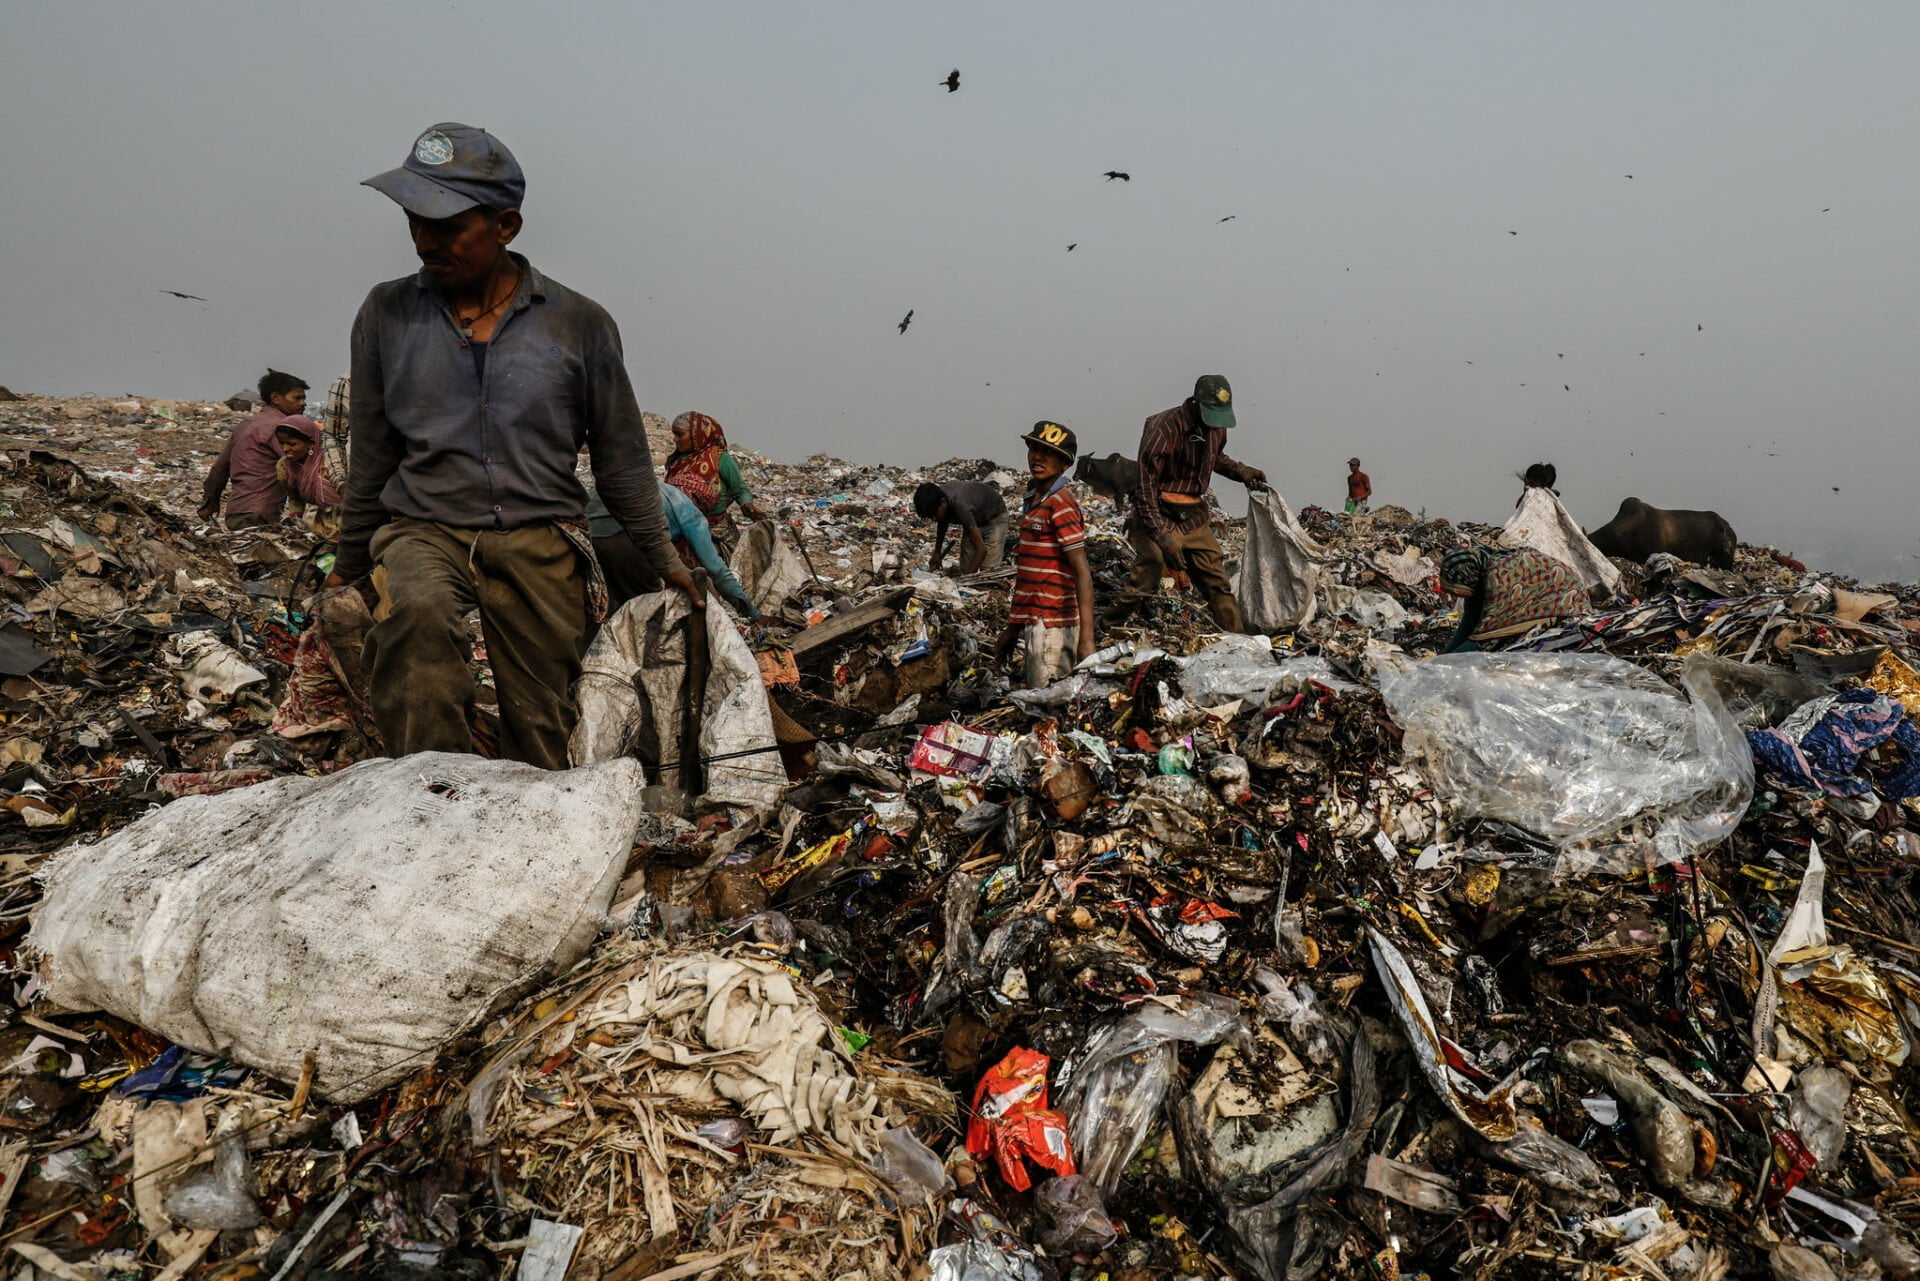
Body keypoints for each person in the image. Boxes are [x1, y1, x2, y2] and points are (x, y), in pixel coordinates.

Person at [330, 122, 698, 770]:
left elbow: (621, 460)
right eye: (415, 220)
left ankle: (527, 845)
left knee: (543, 722)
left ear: (506, 226)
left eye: (446, 225)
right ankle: (430, 812)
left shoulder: (578, 324)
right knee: (415, 632)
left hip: (537, 536)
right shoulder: (386, 315)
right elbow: (373, 460)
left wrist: (667, 560)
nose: (424, 240)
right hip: (425, 527)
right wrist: (348, 566)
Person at [1128, 374, 1267, 633]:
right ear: (1195, 403)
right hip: (1159, 511)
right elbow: (1144, 488)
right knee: (1147, 575)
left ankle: (1238, 642)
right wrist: (1162, 537)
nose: (1213, 422)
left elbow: (1216, 458)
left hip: (1193, 516)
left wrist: (1242, 471)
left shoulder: (1217, 426)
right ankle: (1104, 629)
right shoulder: (1164, 428)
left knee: (1217, 582)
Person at [995, 421, 1095, 687]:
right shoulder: (1034, 501)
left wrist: (1087, 640)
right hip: (1034, 622)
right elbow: (1029, 577)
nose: (1038, 457)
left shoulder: (1061, 503)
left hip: (1054, 626)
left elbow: (1082, 572)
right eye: (1035, 449)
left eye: (1049, 452)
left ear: (1065, 463)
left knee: (1050, 707)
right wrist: (1013, 628)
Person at [587, 482, 759, 620]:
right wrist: (751, 612)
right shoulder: (686, 508)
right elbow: (715, 568)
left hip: (587, 540)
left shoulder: (659, 488)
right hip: (627, 542)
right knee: (647, 610)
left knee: (605, 607)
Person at [201, 368, 309, 524]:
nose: (303, 403)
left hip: (235, 514)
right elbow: (301, 466)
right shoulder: (281, 428)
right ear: (276, 397)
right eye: (297, 398)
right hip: (260, 514)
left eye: (304, 399)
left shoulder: (246, 425)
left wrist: (209, 504)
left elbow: (219, 469)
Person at [1438, 547, 1590, 653]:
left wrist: (1449, 660)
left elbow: (1484, 636)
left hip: (1565, 601)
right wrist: (1445, 654)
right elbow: (1470, 620)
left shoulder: (1498, 578)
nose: (1460, 597)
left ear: (1467, 575)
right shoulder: (1479, 578)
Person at [663, 412, 767, 556]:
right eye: (674, 434)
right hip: (680, 529)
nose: (675, 439)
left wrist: (746, 504)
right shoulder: (676, 462)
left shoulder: (719, 458)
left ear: (696, 435)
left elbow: (740, 489)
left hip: (715, 529)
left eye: (680, 434)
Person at [913, 480, 1009, 574]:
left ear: (943, 503)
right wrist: (937, 553)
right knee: (966, 565)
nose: (933, 519)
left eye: (934, 514)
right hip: (973, 519)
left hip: (995, 517)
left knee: (988, 571)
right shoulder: (936, 497)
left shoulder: (960, 506)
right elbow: (942, 522)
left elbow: (981, 549)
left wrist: (966, 580)